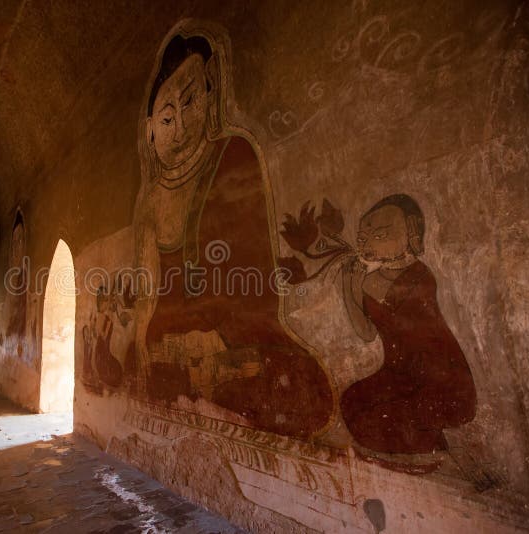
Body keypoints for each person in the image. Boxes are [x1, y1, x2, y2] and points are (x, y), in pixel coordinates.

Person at [135, 32, 334, 438]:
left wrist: (218, 334)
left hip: (239, 332)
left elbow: (258, 280)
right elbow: (150, 292)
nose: (181, 126)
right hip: (174, 337)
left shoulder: (235, 153)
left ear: (212, 93)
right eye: (167, 118)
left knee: (305, 389)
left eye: (192, 101)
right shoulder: (152, 197)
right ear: (150, 131)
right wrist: (159, 340)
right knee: (149, 375)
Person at [340, 194, 477, 457]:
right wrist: (350, 289)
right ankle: (422, 446)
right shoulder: (369, 282)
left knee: (398, 414)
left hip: (439, 376)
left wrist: (361, 287)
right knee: (352, 402)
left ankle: (438, 450)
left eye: (381, 235)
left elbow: (397, 312)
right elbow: (366, 333)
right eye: (363, 237)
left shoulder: (420, 275)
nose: (368, 242)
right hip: (398, 374)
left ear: (411, 235)